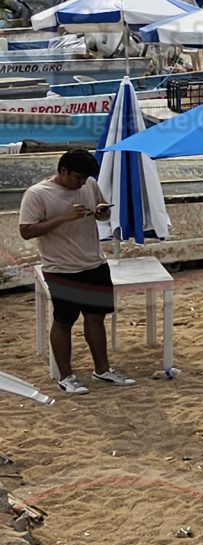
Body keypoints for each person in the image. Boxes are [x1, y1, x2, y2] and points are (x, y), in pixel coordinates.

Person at [19, 149, 130, 394]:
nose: (81, 183)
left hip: (94, 262)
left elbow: (103, 214)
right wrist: (63, 218)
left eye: (85, 178)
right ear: (63, 171)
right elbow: (26, 231)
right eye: (77, 177)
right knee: (64, 320)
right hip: (61, 268)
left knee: (95, 317)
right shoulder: (38, 194)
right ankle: (66, 376)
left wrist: (103, 212)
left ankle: (102, 370)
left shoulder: (89, 183)